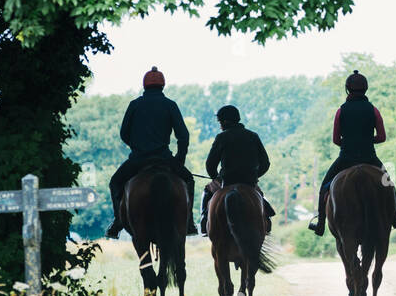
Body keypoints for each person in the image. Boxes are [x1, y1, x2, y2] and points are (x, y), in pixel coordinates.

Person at [106, 66, 197, 239]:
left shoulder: (134, 105)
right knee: (188, 180)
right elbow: (183, 136)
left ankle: (118, 222)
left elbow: (123, 133)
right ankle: (189, 222)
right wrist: (179, 159)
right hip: (164, 159)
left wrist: (137, 147)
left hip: (138, 160)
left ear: (144, 85)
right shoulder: (170, 105)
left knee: (115, 183)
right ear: (162, 86)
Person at [307, 70, 396, 234]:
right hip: (369, 158)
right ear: (365, 89)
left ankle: (321, 223)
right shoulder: (374, 110)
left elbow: (336, 140)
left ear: (347, 89)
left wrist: (350, 141)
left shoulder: (341, 111)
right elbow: (381, 137)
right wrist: (366, 140)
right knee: (390, 185)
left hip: (346, 158)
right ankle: (395, 217)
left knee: (324, 187)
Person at [201, 105, 276, 235]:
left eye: (220, 122)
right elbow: (265, 163)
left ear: (225, 121)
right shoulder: (253, 136)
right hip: (249, 182)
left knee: (207, 192)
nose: (220, 126)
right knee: (259, 198)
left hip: (227, 182)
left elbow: (210, 164)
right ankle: (267, 219)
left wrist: (216, 178)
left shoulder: (222, 137)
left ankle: (204, 222)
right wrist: (254, 176)